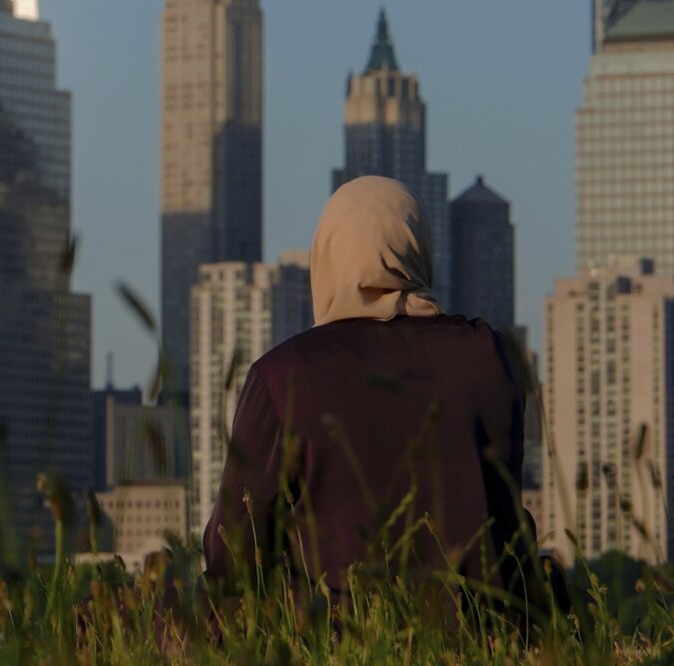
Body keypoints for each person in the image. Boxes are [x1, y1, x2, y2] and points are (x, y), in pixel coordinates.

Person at [201, 176, 528, 597]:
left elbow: (232, 551)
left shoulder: (283, 375)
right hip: (482, 627)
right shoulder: (490, 357)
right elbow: (507, 522)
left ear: (328, 257)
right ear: (421, 249)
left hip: (335, 633)